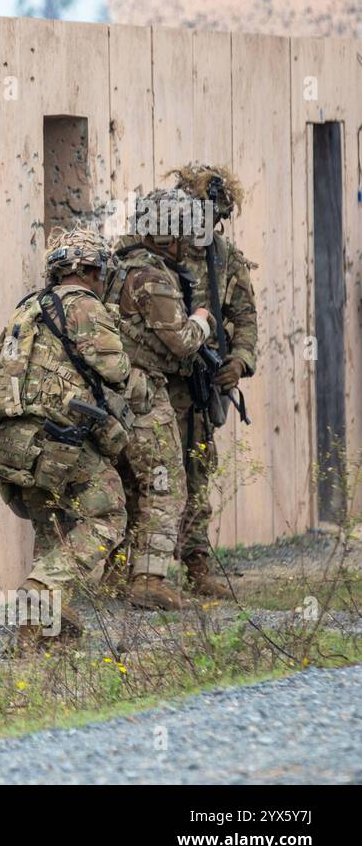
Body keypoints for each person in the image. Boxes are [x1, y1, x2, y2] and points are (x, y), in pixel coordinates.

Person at [0, 228, 131, 651]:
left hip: (13, 439)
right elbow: (118, 371)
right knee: (109, 513)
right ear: (91, 269)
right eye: (101, 272)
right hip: (59, 437)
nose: (103, 279)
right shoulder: (85, 306)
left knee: (54, 531)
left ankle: (38, 638)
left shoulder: (26, 308)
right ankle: (42, 588)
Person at [104, 189, 216, 609]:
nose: (189, 241)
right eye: (184, 231)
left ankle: (120, 576)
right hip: (144, 395)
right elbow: (183, 341)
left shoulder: (117, 267)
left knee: (131, 486)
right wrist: (202, 321)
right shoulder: (150, 276)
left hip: (116, 393)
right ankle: (149, 580)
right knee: (166, 484)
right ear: (168, 233)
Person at [165, 163, 258, 597]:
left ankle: (196, 563)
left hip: (205, 383)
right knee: (153, 472)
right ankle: (135, 568)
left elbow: (245, 318)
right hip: (164, 381)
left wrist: (238, 362)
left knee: (198, 469)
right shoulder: (166, 253)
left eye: (214, 216)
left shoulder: (227, 258)